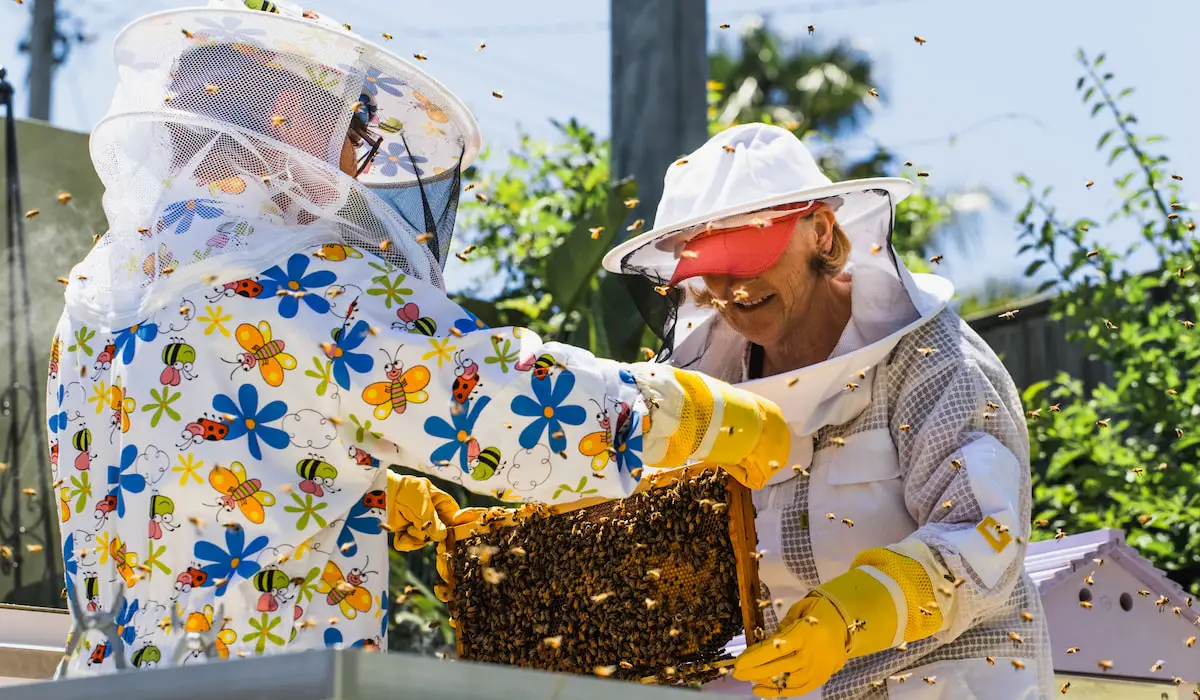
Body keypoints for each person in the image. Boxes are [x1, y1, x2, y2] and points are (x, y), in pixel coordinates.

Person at [46, 0, 788, 674]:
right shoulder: (301, 275)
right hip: (257, 685)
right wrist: (685, 413)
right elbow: (487, 398)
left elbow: (187, 466)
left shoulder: (99, 292)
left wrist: (338, 468)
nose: (355, 169)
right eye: (354, 134)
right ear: (283, 117)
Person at [600, 124, 1053, 699]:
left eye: (747, 255)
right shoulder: (704, 386)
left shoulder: (934, 363)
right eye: (708, 266)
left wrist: (850, 615)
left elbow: (983, 537)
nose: (730, 287)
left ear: (820, 231)